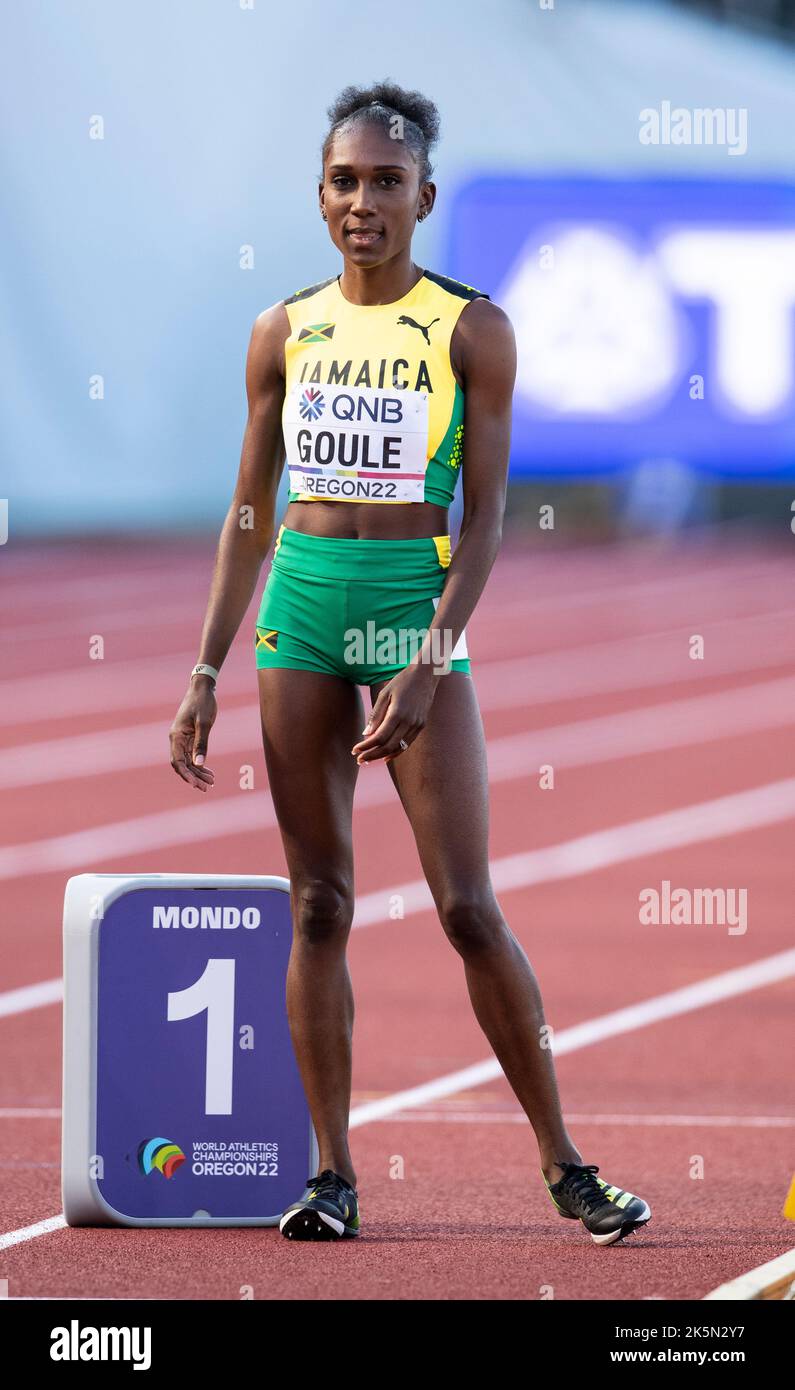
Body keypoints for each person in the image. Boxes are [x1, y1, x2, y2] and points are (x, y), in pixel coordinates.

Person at [168, 81, 651, 1248]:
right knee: (319, 901)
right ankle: (331, 1175)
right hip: (300, 614)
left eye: (387, 181)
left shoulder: (471, 329)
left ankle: (566, 1165)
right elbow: (249, 509)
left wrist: (431, 656)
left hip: (407, 616)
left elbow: (485, 518)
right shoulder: (281, 329)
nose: (364, 200)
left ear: (425, 196)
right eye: (345, 180)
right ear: (319, 195)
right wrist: (203, 669)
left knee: (467, 908)